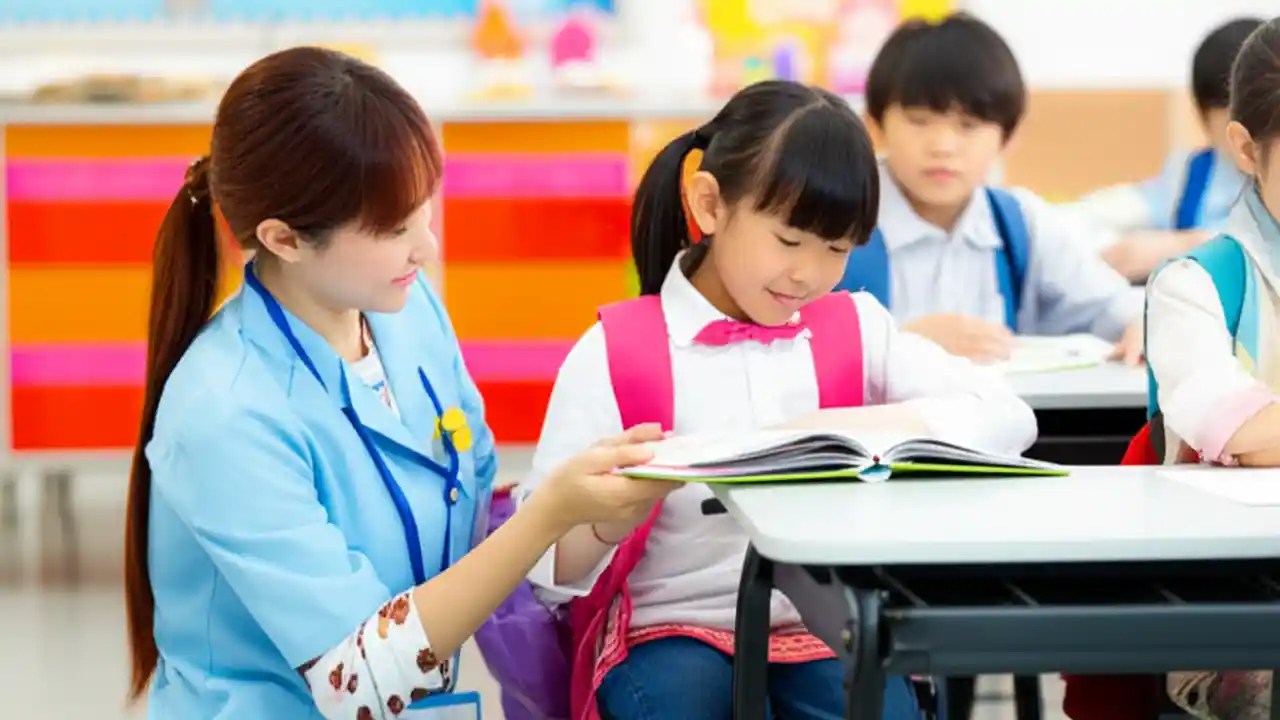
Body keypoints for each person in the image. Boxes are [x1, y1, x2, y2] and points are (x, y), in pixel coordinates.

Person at [122, 46, 678, 720]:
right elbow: (355, 677)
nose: (427, 247)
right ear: (284, 239)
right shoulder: (224, 413)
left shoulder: (406, 313)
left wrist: (595, 518)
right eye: (393, 228)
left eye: (424, 211)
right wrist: (549, 515)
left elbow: (478, 524)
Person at [519, 79, 1038, 720]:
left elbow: (1006, 414)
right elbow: (543, 566)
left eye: (837, 250)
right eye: (789, 242)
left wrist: (851, 425)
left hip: (818, 623)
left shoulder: (855, 328)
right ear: (710, 205)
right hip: (672, 628)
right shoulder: (618, 350)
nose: (809, 274)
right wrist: (603, 518)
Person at [838, 12, 1144, 365]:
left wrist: (1143, 324)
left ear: (1008, 137)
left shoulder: (1017, 222)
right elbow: (782, 340)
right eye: (920, 122)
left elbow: (1113, 304)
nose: (943, 146)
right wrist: (900, 343)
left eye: (968, 126)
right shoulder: (837, 217)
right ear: (874, 127)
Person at [1069, 17, 1262, 282]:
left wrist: (1186, 245)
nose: (1253, 140)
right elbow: (1112, 209)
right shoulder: (1191, 173)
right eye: (1235, 127)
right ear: (1205, 120)